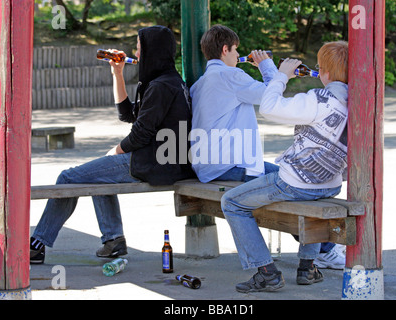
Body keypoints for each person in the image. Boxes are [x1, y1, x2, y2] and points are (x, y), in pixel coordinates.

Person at [30, 25, 194, 264]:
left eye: (139, 48)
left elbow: (140, 134)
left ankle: (37, 244)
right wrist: (117, 74)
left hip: (155, 164)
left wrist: (115, 151)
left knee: (68, 177)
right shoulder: (169, 81)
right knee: (98, 175)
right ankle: (113, 240)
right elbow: (128, 115)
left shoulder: (160, 86)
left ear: (152, 50)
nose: (136, 54)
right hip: (165, 161)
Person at [221, 40, 349, 293]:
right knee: (309, 202)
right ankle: (307, 268)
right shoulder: (357, 98)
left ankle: (266, 271)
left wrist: (280, 76)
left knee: (231, 203)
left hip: (297, 182)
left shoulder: (318, 99)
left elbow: (269, 108)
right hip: (330, 184)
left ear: (323, 71)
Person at [189, 24, 279, 183]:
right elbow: (271, 96)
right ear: (225, 50)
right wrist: (266, 66)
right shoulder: (230, 75)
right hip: (229, 167)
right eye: (235, 49)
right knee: (294, 179)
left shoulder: (199, 84)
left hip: (207, 168)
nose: (238, 55)